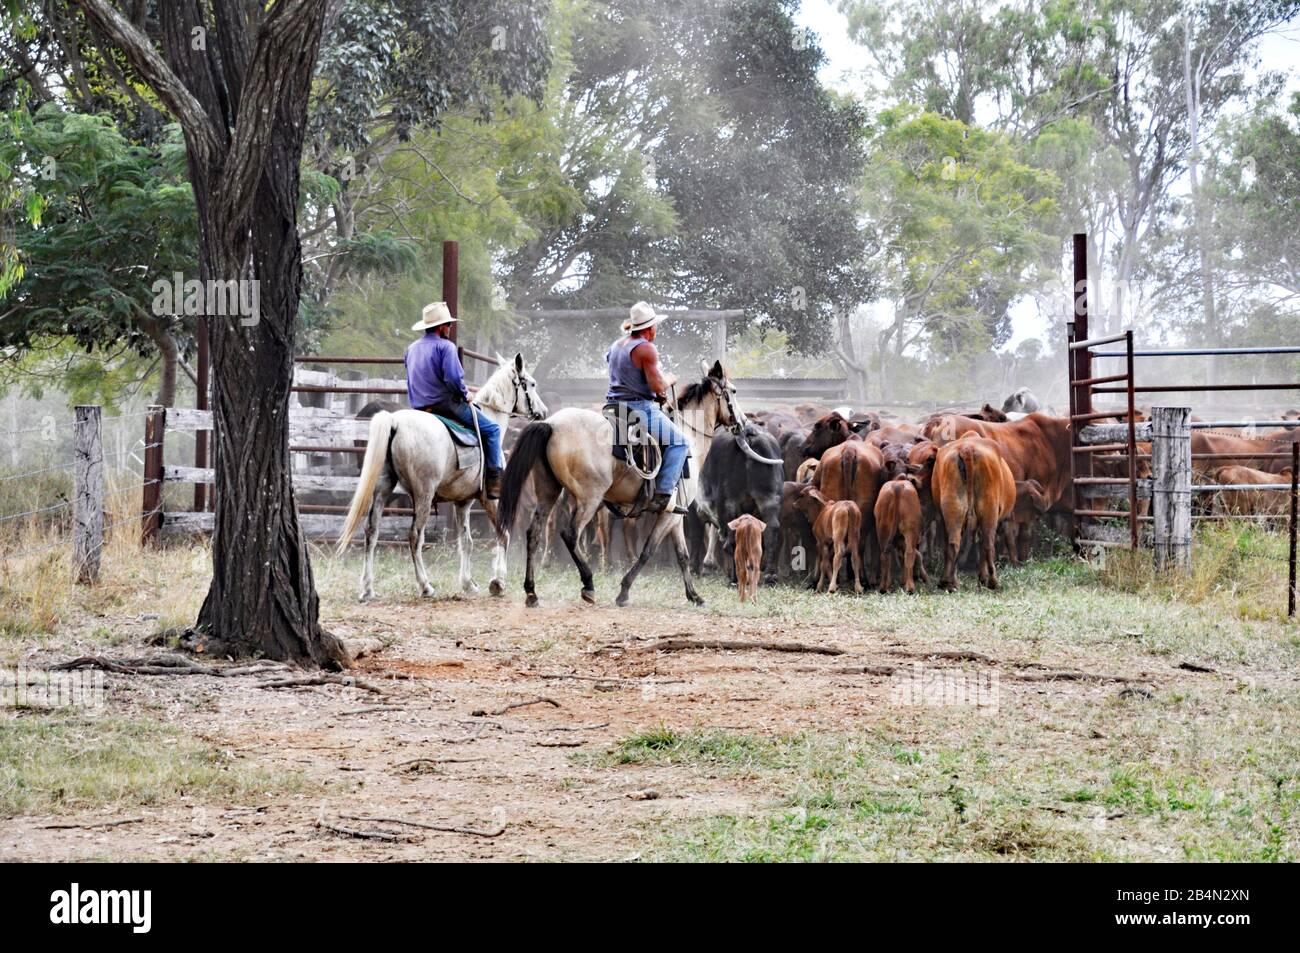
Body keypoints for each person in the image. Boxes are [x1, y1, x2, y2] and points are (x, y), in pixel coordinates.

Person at [405, 301, 503, 498]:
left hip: (418, 408)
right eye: (448, 325)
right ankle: (494, 482)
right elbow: (452, 378)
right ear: (441, 327)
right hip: (445, 406)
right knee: (493, 430)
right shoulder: (446, 347)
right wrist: (465, 393)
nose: (450, 328)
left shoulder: (411, 348)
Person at [606, 301, 689, 512]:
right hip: (638, 408)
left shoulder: (616, 345)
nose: (656, 330)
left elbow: (628, 373)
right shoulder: (646, 348)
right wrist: (670, 379)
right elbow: (657, 385)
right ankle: (663, 495)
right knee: (680, 442)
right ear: (650, 328)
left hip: (612, 405)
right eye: (655, 326)